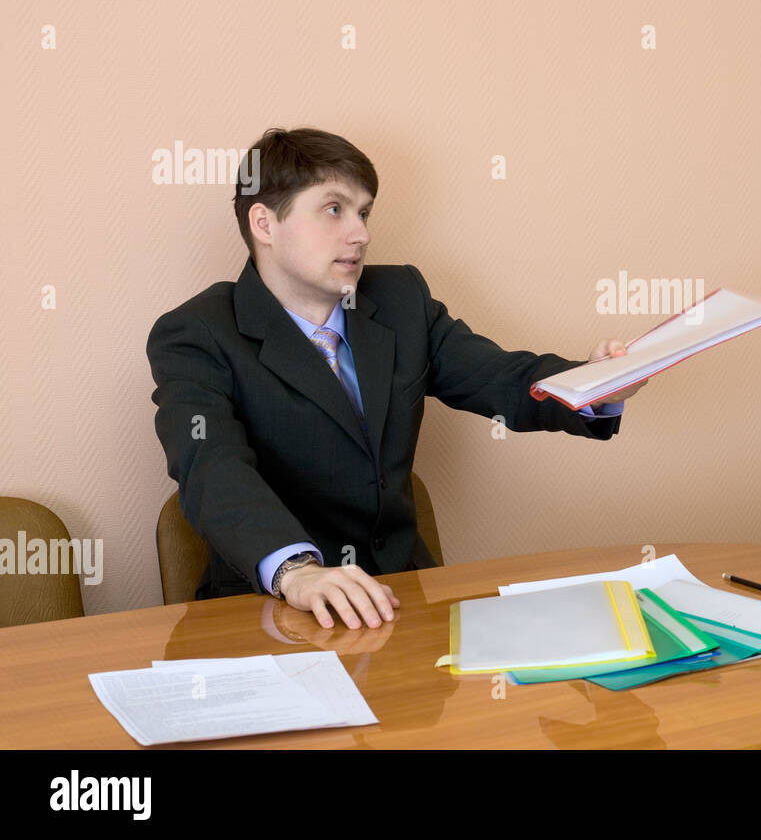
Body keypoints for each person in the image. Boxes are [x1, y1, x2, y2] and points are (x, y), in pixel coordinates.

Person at [148, 127, 642, 630]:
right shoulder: (197, 333)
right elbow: (211, 465)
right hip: (271, 613)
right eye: (334, 209)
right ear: (265, 223)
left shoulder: (401, 299)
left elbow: (501, 377)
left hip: (402, 601)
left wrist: (596, 383)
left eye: (364, 213)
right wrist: (298, 572)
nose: (360, 233)